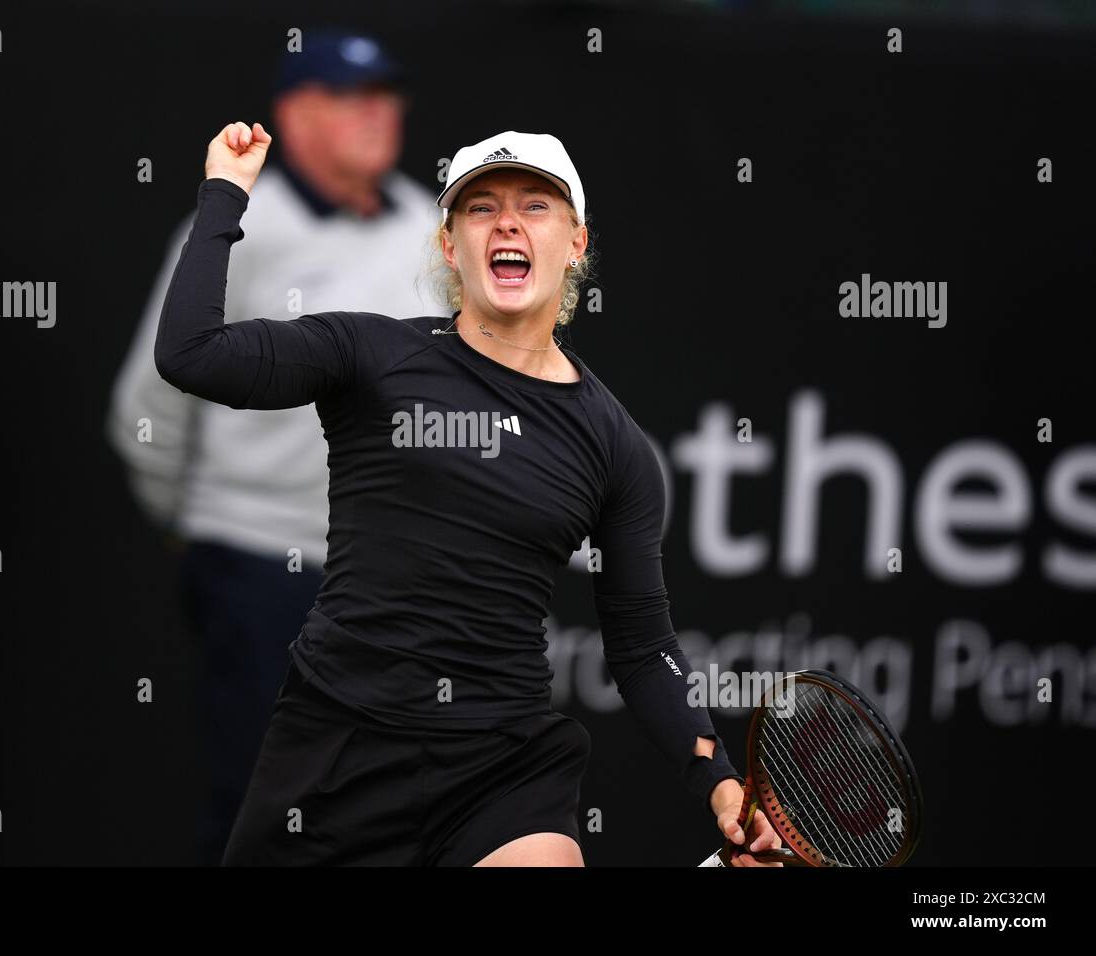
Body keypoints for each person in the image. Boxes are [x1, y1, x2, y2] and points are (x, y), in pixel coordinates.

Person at [154, 118, 784, 866]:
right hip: (335, 753)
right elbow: (190, 354)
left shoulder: (616, 446)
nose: (508, 221)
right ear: (451, 245)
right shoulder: (370, 354)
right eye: (481, 207)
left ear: (576, 243)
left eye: (535, 205)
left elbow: (643, 648)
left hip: (501, 765)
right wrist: (225, 193)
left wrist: (719, 785)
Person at [106, 32, 441, 864]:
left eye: (384, 95)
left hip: (401, 584)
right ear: (294, 116)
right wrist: (202, 523)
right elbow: (148, 406)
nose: (376, 113)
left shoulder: (438, 234)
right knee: (264, 812)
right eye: (348, 95)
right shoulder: (235, 229)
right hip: (261, 568)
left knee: (396, 818)